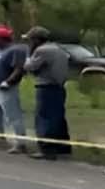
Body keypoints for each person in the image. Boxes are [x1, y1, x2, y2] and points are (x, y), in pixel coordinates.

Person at [23, 27, 70, 159]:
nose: (29, 43)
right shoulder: (59, 49)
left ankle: (46, 149)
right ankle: (62, 147)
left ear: (36, 40)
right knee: (58, 117)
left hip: (46, 86)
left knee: (44, 118)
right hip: (59, 87)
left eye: (30, 40)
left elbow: (29, 66)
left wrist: (28, 54)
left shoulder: (41, 50)